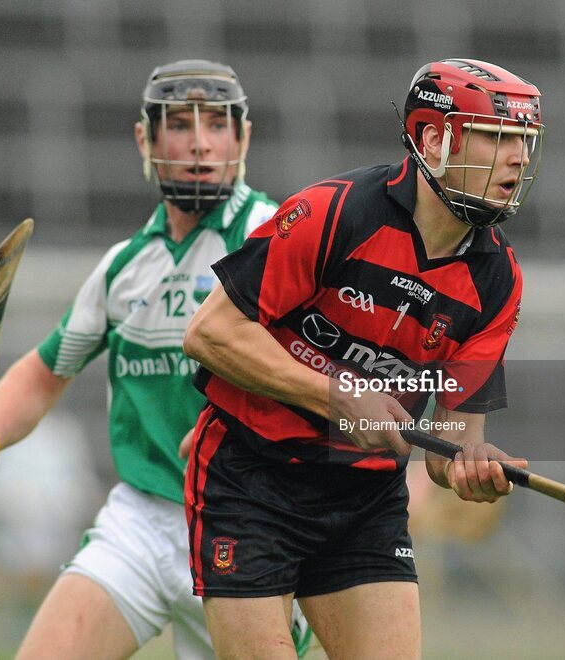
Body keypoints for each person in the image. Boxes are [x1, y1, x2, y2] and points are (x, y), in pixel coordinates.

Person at [0, 59, 311, 659]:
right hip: (140, 522)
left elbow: (331, 375)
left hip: (251, 523)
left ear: (242, 138)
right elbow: (44, 371)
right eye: (179, 126)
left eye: (217, 124)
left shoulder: (281, 238)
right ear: (146, 140)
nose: (199, 143)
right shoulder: (122, 266)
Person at [183, 58, 543, 658]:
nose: (519, 160)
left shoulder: (499, 283)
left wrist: (471, 467)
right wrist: (335, 396)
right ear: (433, 137)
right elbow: (209, 333)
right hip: (250, 482)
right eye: (499, 138)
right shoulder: (336, 213)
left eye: (525, 144)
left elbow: (450, 442)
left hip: (363, 504)